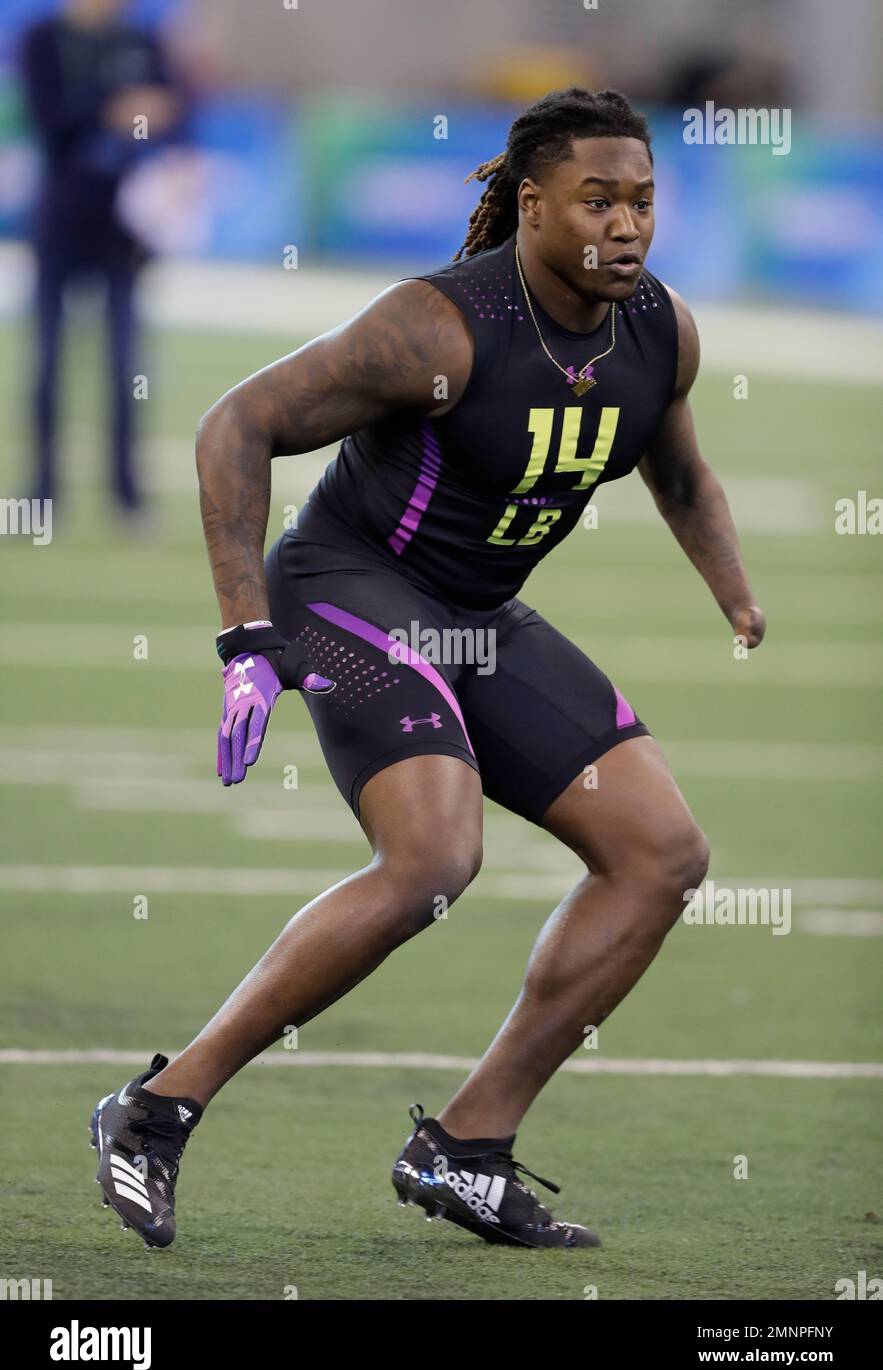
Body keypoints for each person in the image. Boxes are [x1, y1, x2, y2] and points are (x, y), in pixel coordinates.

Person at [90, 88, 765, 1250]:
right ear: (531, 201)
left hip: (478, 610)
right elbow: (233, 423)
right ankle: (154, 1108)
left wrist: (734, 589)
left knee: (661, 854)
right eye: (596, 199)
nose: (625, 224)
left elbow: (680, 470)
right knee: (433, 855)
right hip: (349, 586)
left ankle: (465, 1146)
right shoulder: (441, 327)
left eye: (643, 200)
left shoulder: (660, 327)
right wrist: (246, 636)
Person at [20, 0, 180, 521]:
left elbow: (169, 111)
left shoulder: (141, 42)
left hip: (122, 226)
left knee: (125, 363)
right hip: (61, 220)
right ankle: (43, 492)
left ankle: (126, 495)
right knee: (47, 361)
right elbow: (48, 118)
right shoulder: (43, 38)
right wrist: (114, 109)